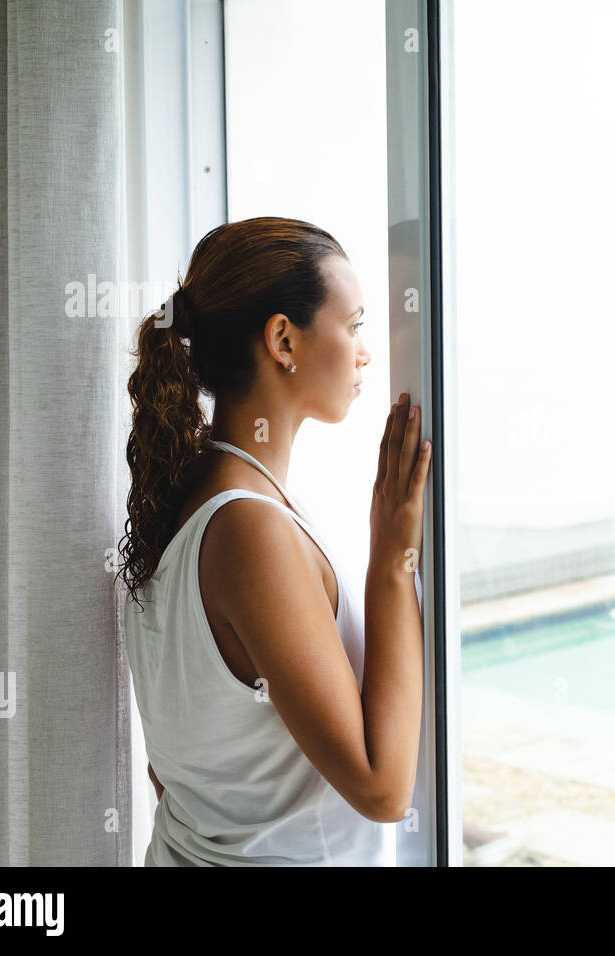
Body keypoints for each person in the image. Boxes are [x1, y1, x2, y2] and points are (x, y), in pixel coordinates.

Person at [118, 216, 430, 865]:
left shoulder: (190, 495)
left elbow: (185, 766)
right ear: (284, 339)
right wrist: (392, 562)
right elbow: (381, 791)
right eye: (355, 325)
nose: (365, 351)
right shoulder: (250, 529)